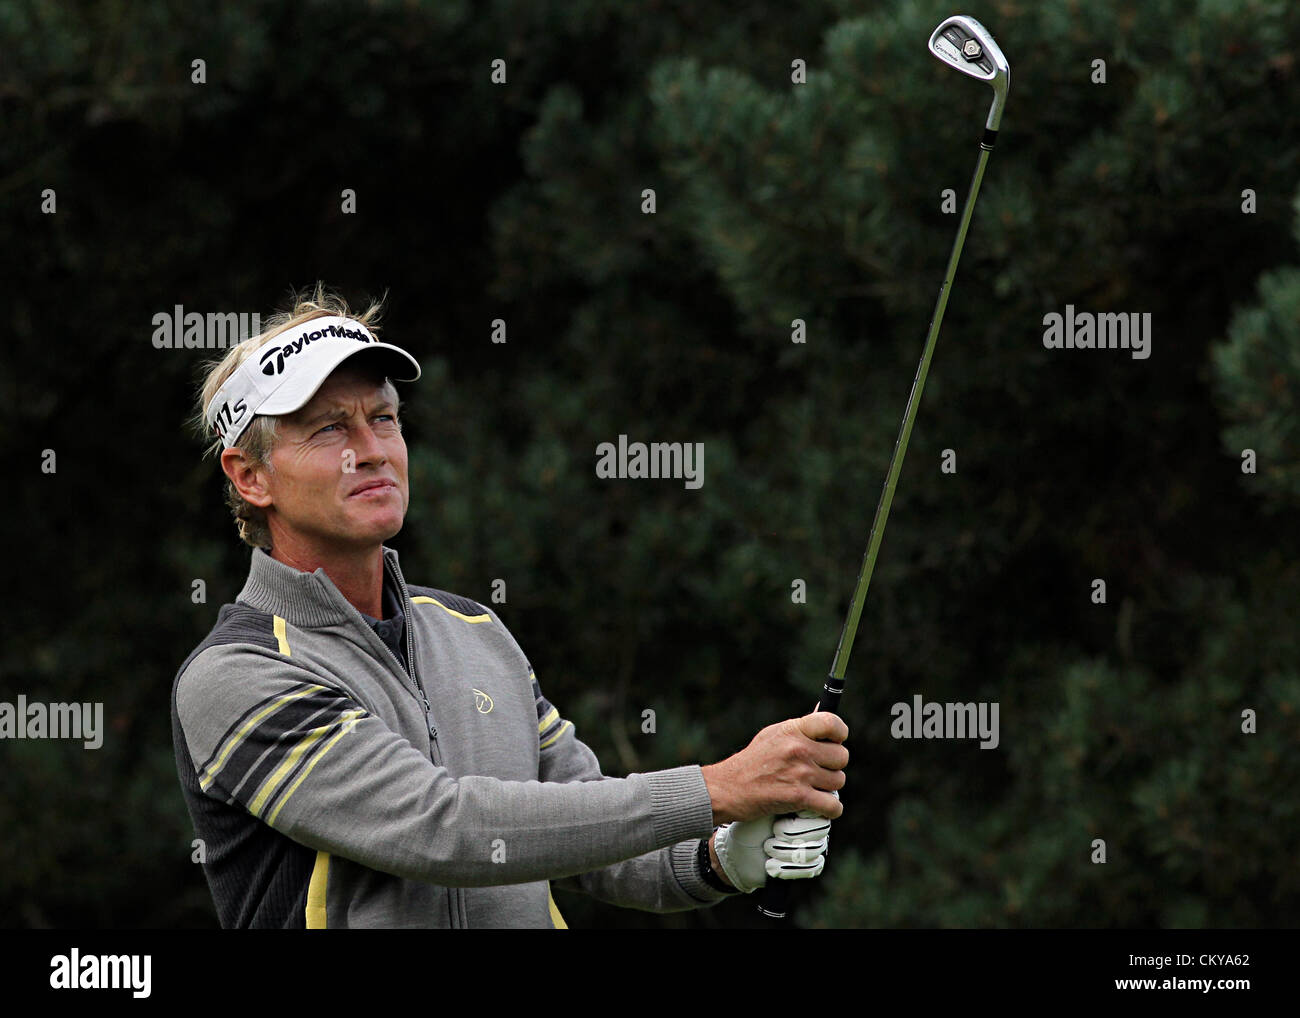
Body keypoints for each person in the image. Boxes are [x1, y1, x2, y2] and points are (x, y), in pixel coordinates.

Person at [171, 284, 848, 928]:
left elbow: (597, 841)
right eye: (328, 430)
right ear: (251, 476)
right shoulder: (236, 674)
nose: (372, 451)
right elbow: (444, 830)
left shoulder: (474, 630)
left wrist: (722, 854)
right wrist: (716, 788)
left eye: (383, 418)